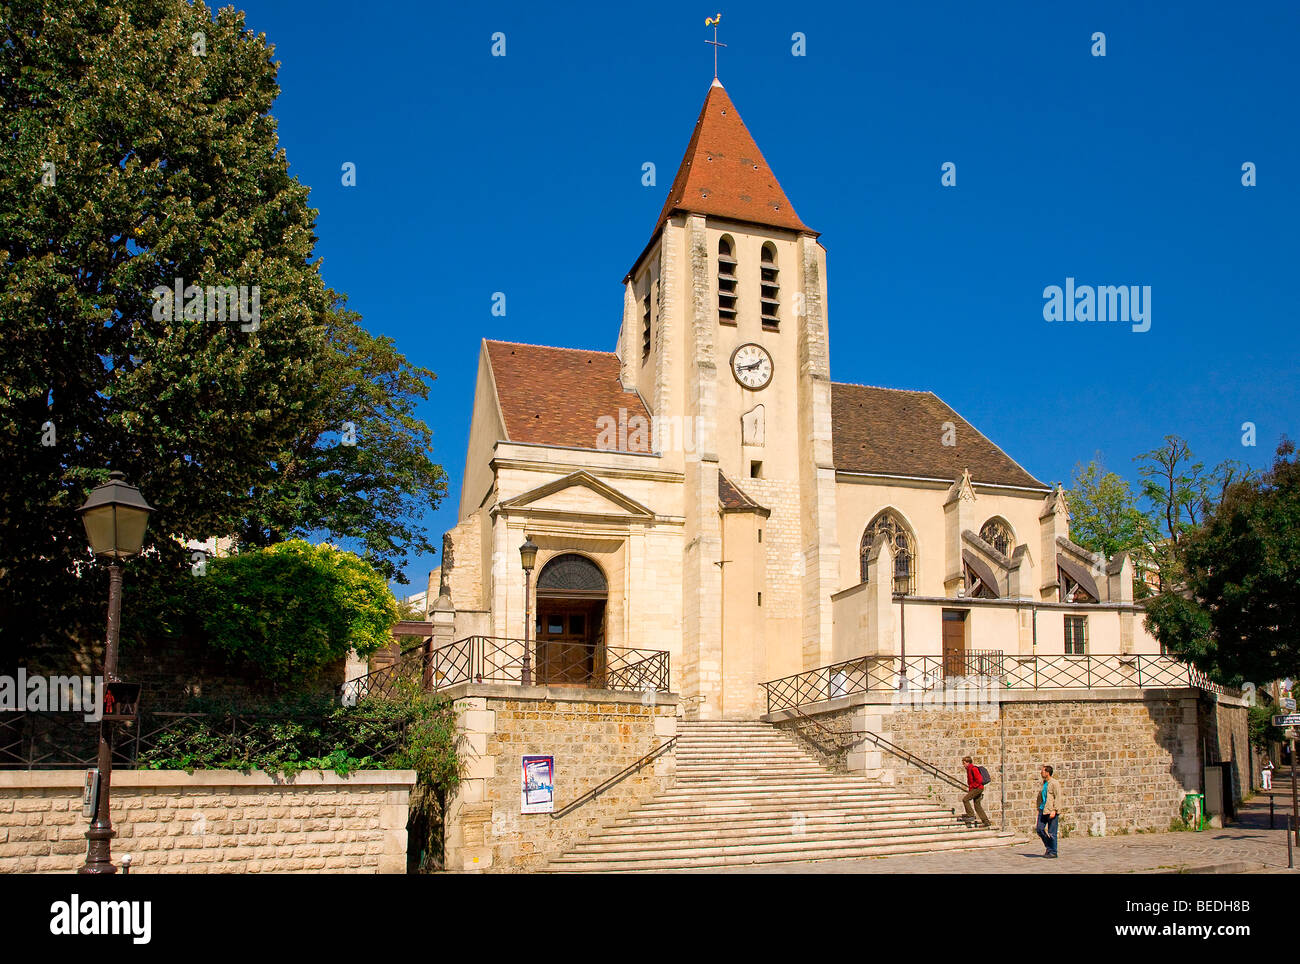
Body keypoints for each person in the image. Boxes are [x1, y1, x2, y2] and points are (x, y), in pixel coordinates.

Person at [1036, 764, 1061, 858]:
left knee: (1052, 833)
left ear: (1047, 772)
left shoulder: (1054, 783)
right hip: (1043, 810)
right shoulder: (1044, 783)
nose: (1041, 772)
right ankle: (1049, 847)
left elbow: (1058, 797)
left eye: (1042, 771)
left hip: (1051, 810)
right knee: (1039, 829)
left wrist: (1055, 810)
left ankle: (1053, 852)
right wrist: (1038, 808)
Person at [961, 755, 991, 827]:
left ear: (968, 763)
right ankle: (986, 822)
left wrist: (972, 787)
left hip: (977, 788)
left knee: (965, 799)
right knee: (977, 805)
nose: (963, 765)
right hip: (977, 788)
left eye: (964, 763)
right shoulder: (969, 769)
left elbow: (979, 780)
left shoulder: (973, 769)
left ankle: (971, 815)